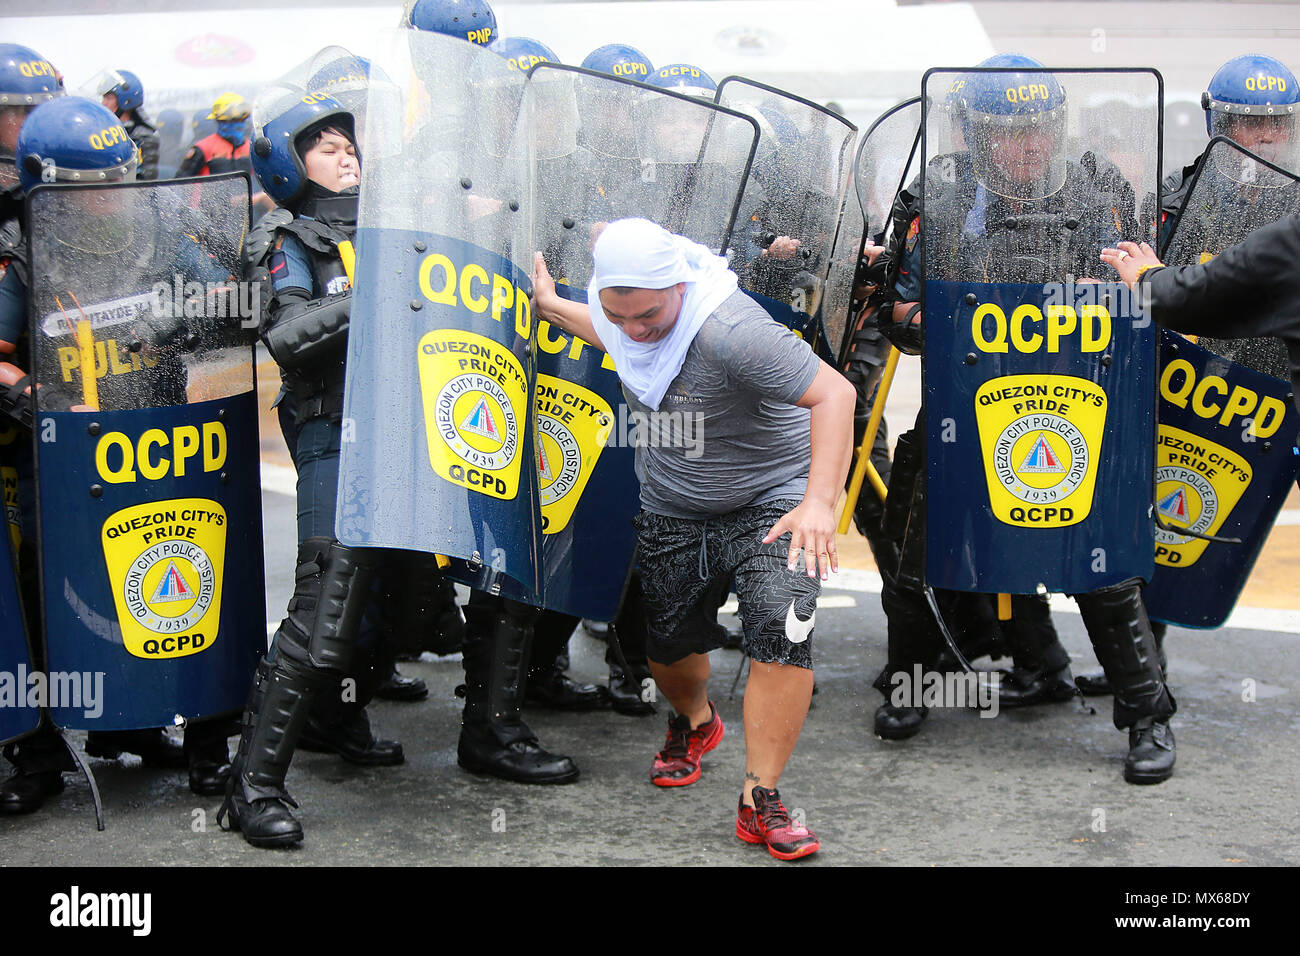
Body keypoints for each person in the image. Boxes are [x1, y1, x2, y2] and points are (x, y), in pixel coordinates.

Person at [876, 59, 1176, 783]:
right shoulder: (935, 196)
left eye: (1039, 129)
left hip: (1080, 415)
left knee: (1103, 572)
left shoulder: (1103, 193)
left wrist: (1111, 296)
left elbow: (1140, 295)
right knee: (913, 555)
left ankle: (1147, 717)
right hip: (959, 412)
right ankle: (907, 684)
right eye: (1009, 133)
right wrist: (937, 319)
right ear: (976, 134)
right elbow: (895, 310)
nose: (1028, 147)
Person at [534, 217, 856, 860]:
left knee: (782, 630)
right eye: (617, 314)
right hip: (674, 507)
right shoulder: (625, 318)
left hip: (773, 500)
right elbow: (614, 331)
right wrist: (551, 304)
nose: (635, 331)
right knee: (668, 649)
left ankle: (760, 796)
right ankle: (694, 721)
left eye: (650, 315)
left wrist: (818, 502)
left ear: (680, 284)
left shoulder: (730, 330)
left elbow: (835, 394)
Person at [0, 97, 242, 812]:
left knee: (191, 584)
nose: (114, 195)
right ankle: (39, 754)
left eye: (122, 177)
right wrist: (37, 399)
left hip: (166, 440)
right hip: (65, 452)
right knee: (53, 594)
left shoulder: (164, 230)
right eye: (95, 184)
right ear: (51, 185)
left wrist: (193, 314)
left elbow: (232, 301)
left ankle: (202, 740)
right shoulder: (23, 250)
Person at [218, 87, 409, 847]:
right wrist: (375, 294)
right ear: (291, 166)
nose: (346, 152)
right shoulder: (287, 239)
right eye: (325, 145)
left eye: (349, 142)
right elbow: (291, 335)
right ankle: (252, 784)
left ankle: (335, 714)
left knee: (402, 593)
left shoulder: (395, 227)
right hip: (334, 427)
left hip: (406, 431)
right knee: (327, 595)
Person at [1079, 53, 1300, 696]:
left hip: (1262, 399)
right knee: (1156, 528)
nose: (1259, 139)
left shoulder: (1292, 213)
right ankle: (1144, 666)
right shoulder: (1183, 192)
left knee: (1214, 531)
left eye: (1273, 125)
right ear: (1216, 124)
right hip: (1180, 385)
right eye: (1243, 124)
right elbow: (1147, 279)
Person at [99, 69, 159, 181]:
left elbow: (144, 183)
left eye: (109, 98)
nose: (103, 103)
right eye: (103, 98)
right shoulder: (103, 132)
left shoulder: (143, 137)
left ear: (126, 101)